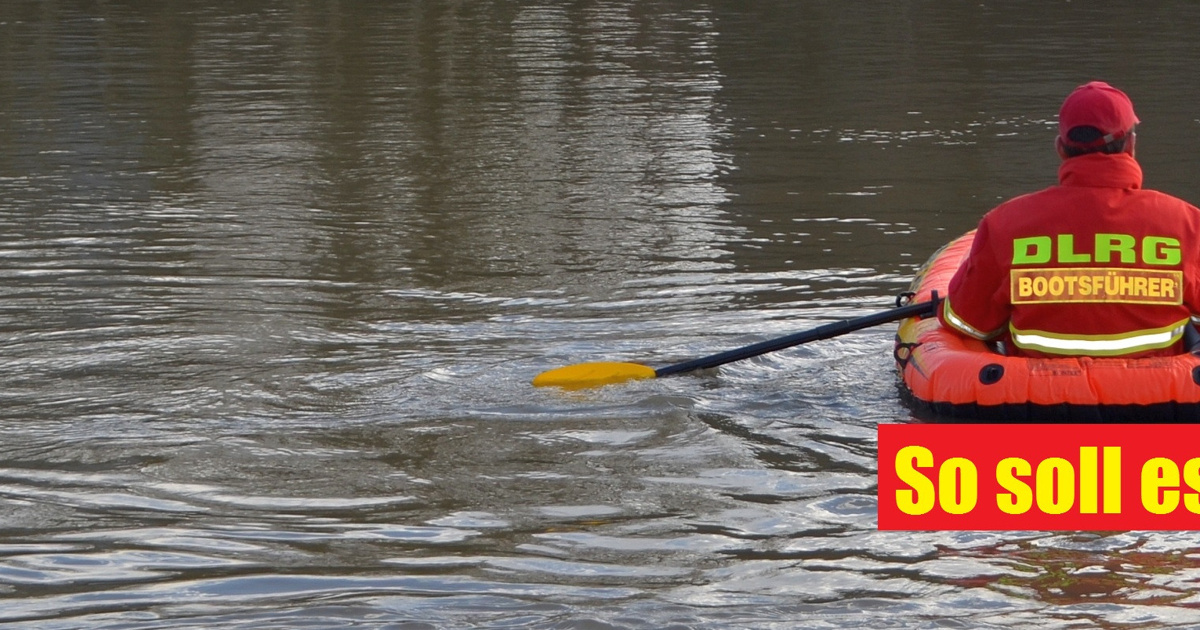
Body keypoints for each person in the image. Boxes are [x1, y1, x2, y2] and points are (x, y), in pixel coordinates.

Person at [939, 81, 1200, 357]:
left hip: (1030, 397)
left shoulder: (1004, 224)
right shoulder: (1188, 224)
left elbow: (965, 322)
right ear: (1131, 145)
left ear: (1060, 148)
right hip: (1163, 397)